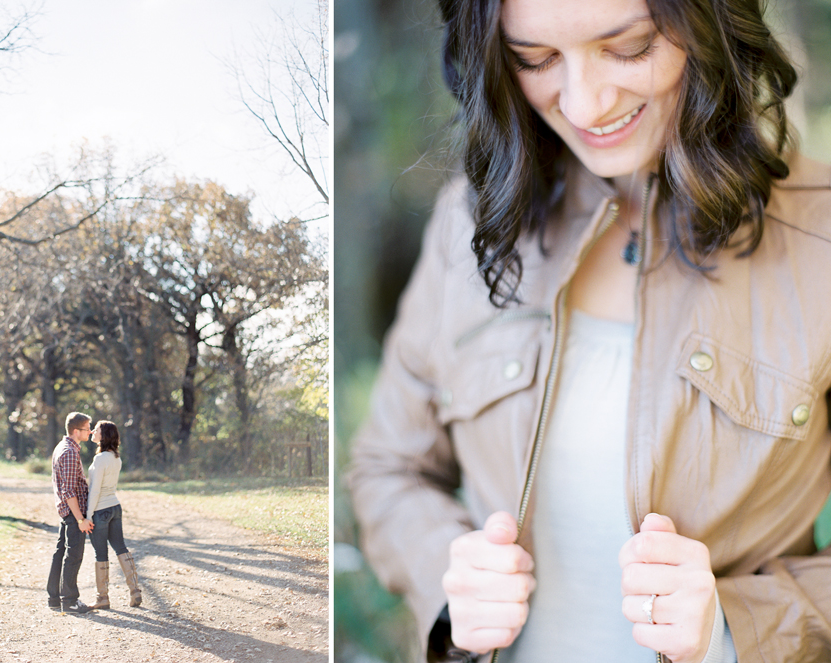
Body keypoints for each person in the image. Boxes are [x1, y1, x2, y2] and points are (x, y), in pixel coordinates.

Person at [347, 0, 831, 661]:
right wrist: (445, 578)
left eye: (628, 47)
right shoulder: (468, 219)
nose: (584, 105)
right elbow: (387, 466)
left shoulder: (821, 238)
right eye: (535, 59)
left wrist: (736, 626)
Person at [86, 420, 142, 609]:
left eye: (97, 429)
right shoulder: (115, 458)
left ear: (105, 435)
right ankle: (135, 591)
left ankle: (103, 598)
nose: (93, 431)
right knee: (121, 547)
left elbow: (94, 490)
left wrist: (87, 515)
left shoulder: (100, 459)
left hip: (100, 510)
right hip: (115, 507)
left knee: (100, 552)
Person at [47, 411, 95, 614]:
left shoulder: (65, 447)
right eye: (87, 429)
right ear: (76, 431)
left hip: (66, 512)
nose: (90, 432)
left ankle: (55, 598)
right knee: (73, 555)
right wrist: (80, 518)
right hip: (72, 513)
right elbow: (68, 490)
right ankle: (70, 601)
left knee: (61, 552)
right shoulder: (68, 452)